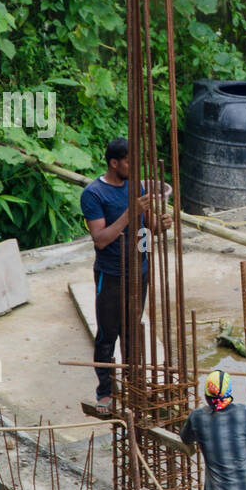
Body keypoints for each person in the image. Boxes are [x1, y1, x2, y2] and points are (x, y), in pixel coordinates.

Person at [80, 138, 171, 415]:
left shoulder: (137, 186)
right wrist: (130, 213)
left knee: (132, 331)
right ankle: (105, 391)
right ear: (114, 163)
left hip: (139, 271)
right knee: (108, 334)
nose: (135, 167)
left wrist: (162, 224)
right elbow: (100, 239)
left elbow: (149, 225)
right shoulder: (94, 194)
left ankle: (133, 384)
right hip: (111, 274)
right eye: (130, 162)